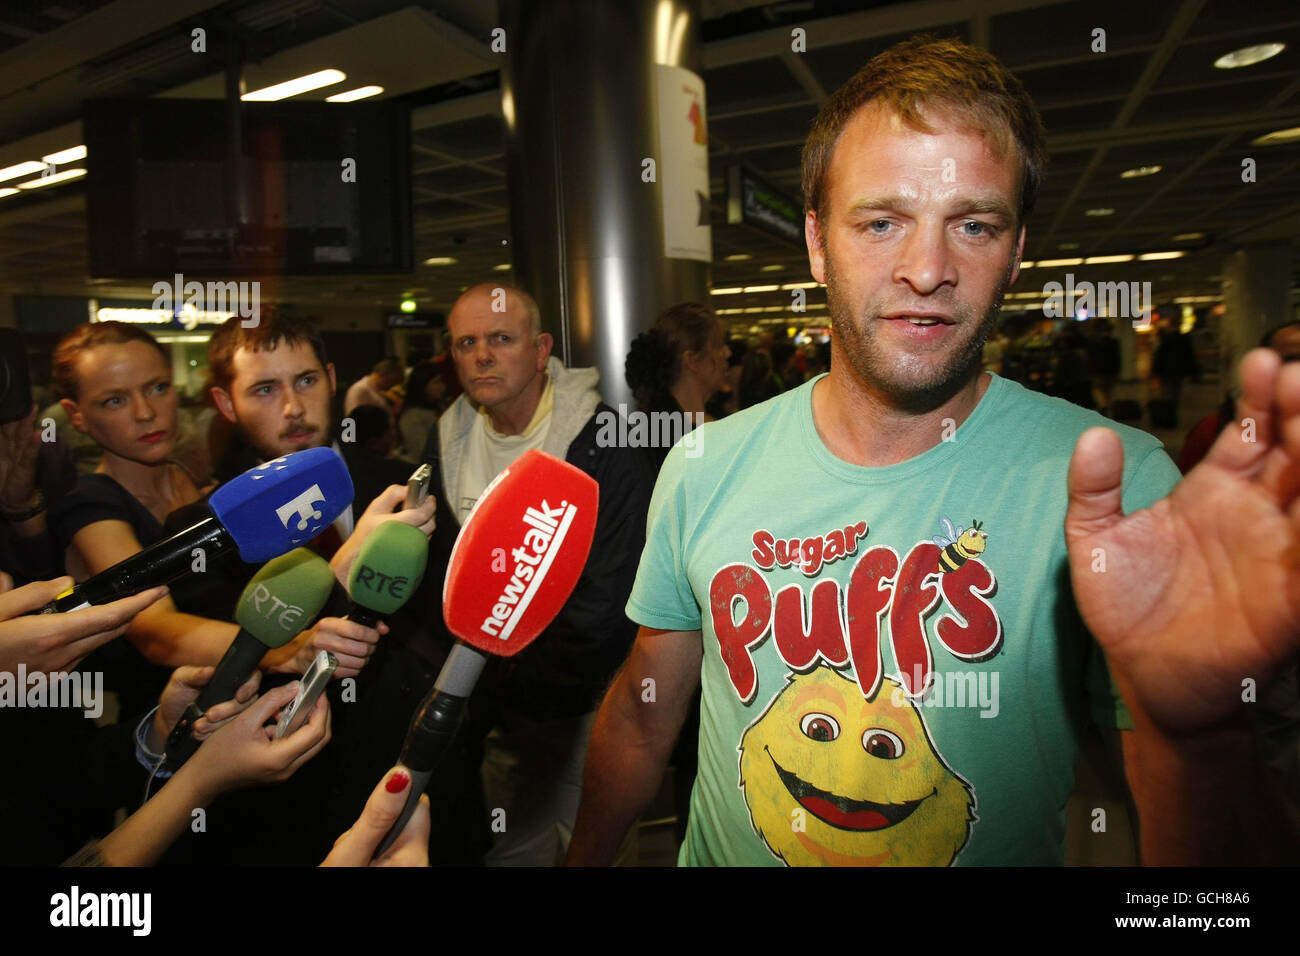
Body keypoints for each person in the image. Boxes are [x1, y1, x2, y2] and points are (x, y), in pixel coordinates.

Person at [568, 34, 1300, 867]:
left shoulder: (1115, 484)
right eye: (882, 221)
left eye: (974, 225)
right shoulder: (702, 466)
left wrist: (1200, 736)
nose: (926, 269)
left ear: (1018, 251)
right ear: (816, 243)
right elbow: (640, 709)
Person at [421, 281, 655, 865]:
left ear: (540, 347)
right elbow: (439, 577)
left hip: (588, 710)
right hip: (491, 716)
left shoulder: (608, 443)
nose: (481, 355)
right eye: (465, 343)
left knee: (595, 849)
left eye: (501, 338)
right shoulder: (444, 440)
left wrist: (510, 685)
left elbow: (608, 603)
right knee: (512, 852)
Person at [624, 302, 731, 468]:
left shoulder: (717, 417)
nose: (727, 353)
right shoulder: (662, 439)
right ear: (692, 361)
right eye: (718, 345)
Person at [396, 360, 445, 463]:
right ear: (423, 385)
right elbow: (421, 454)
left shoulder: (439, 408)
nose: (442, 387)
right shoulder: (412, 417)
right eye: (436, 382)